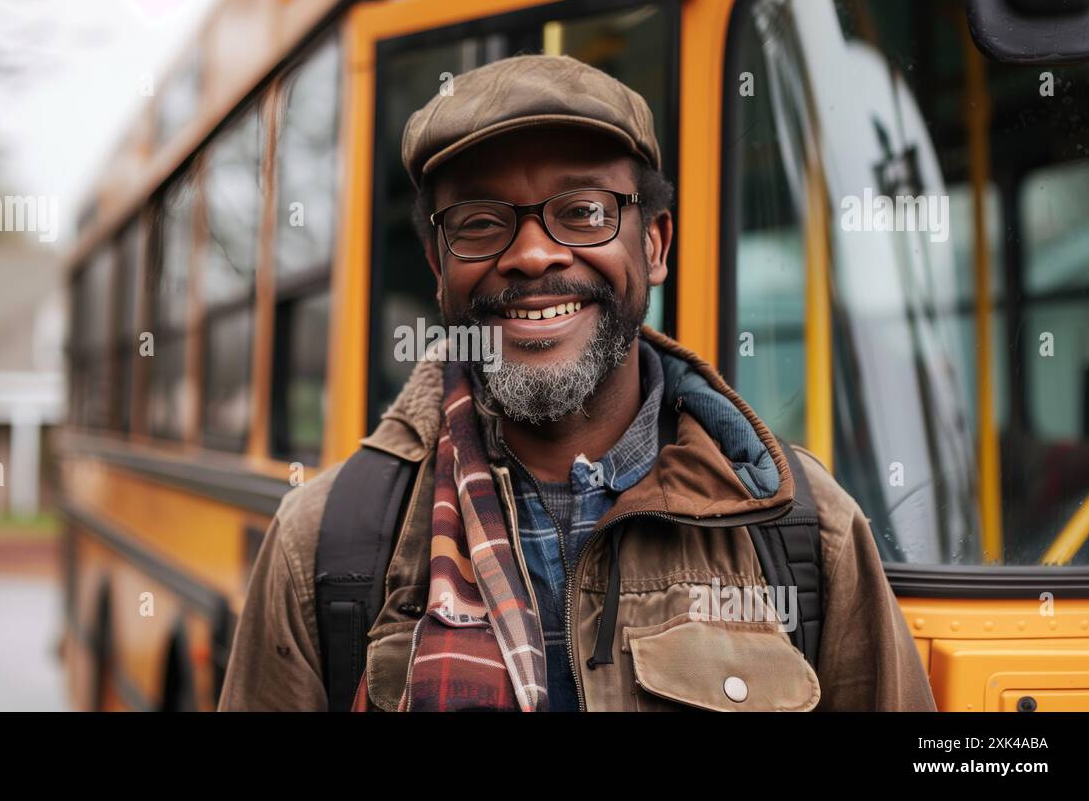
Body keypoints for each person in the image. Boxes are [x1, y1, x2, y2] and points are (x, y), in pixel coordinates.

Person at [219, 54, 936, 712]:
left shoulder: (806, 532)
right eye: (479, 222)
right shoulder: (322, 546)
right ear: (440, 271)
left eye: (583, 212)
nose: (532, 254)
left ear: (653, 244)